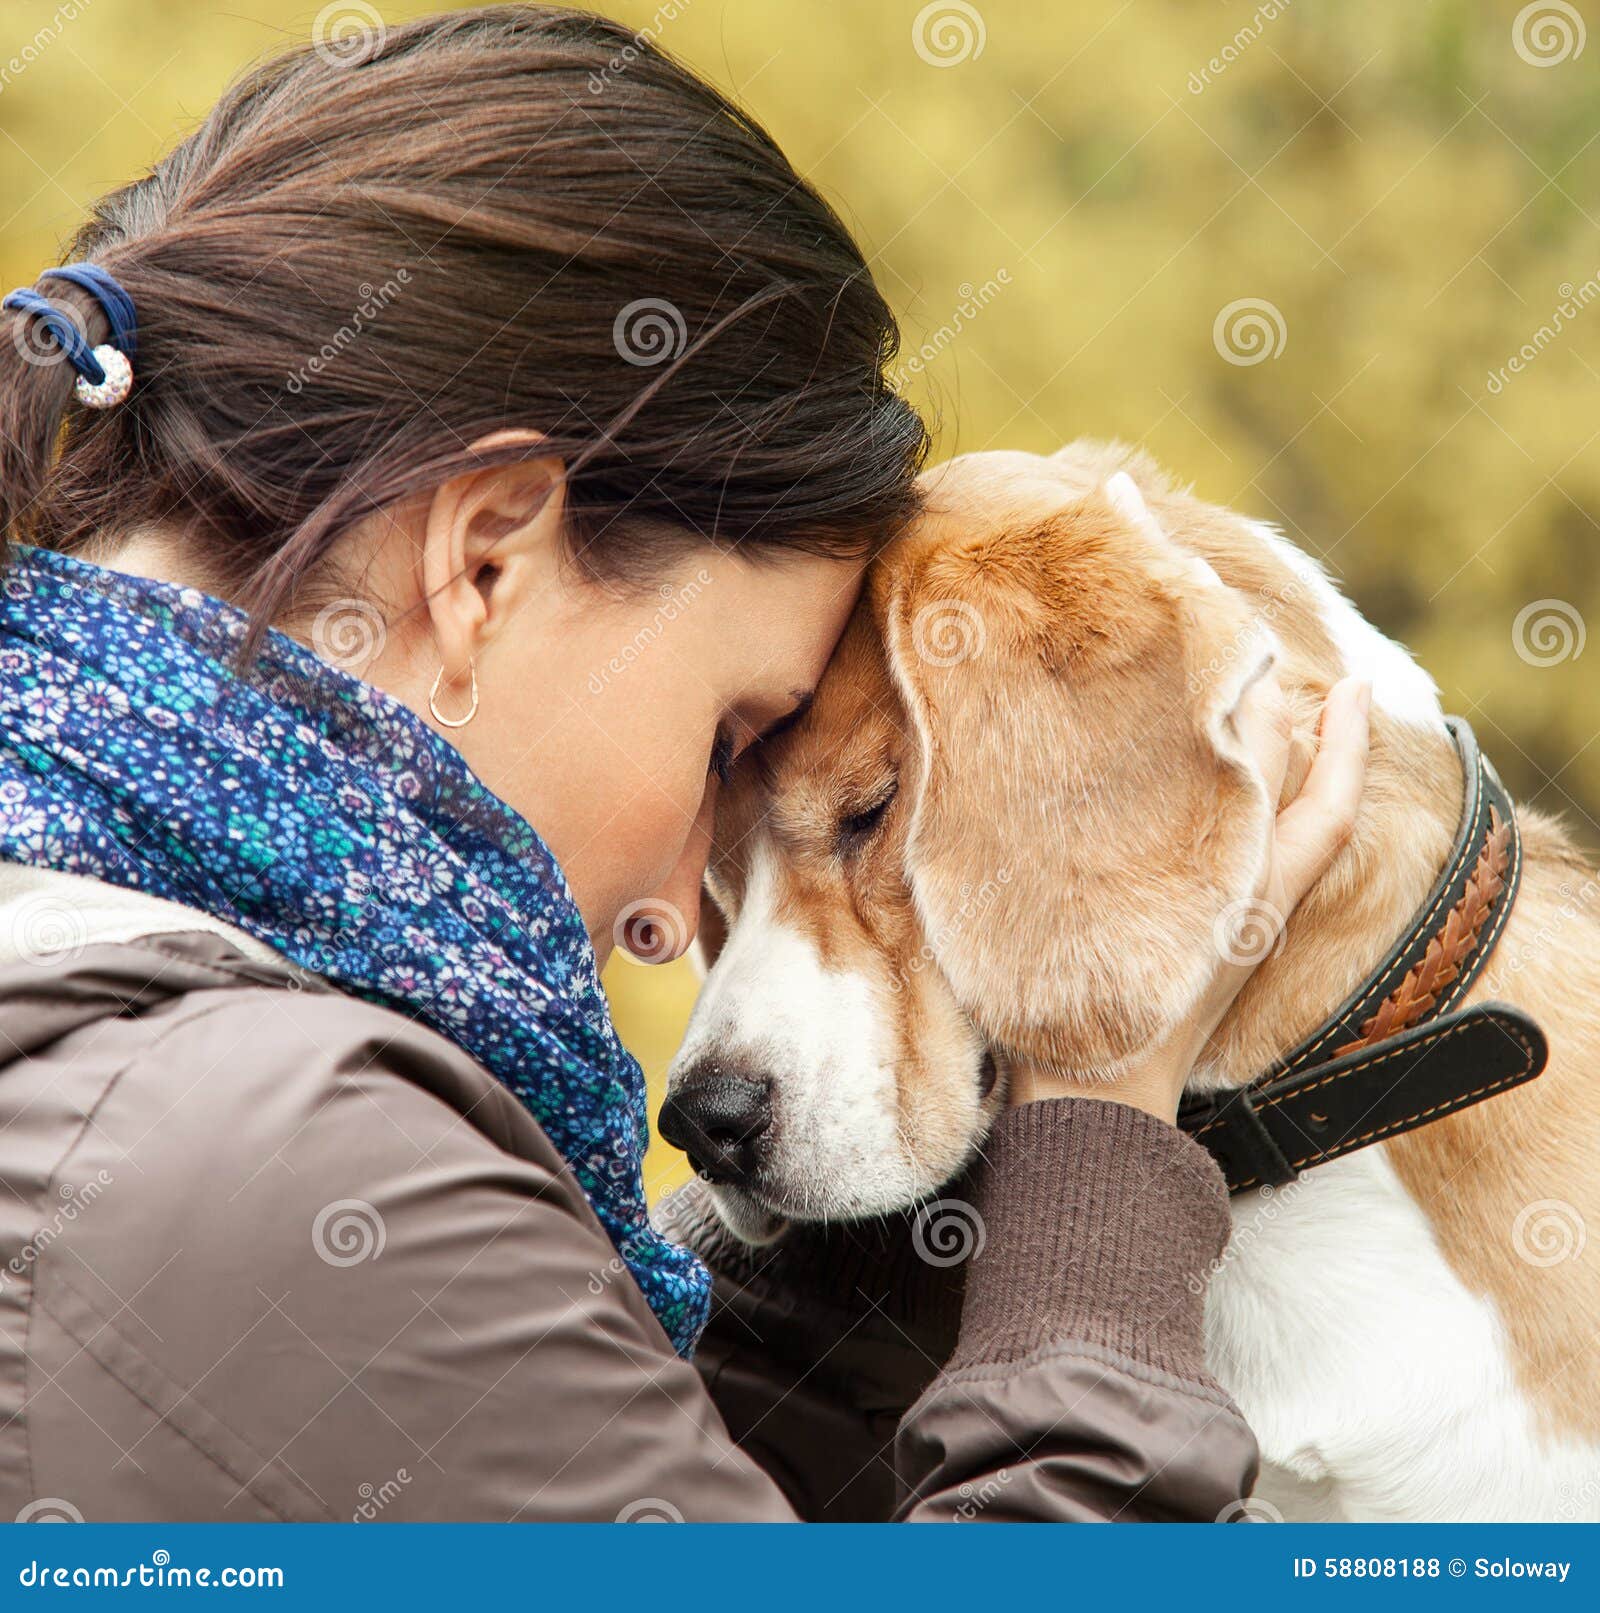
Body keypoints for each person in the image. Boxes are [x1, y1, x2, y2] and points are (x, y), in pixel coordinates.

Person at [0, 5, 1368, 1522]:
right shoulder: (280, 1157)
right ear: (487, 560)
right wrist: (1098, 1146)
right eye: (727, 735)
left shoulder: (107, 1008)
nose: (668, 922)